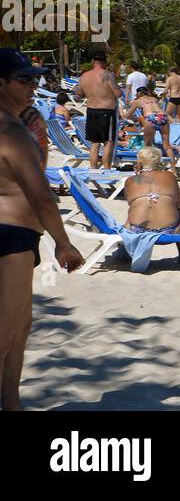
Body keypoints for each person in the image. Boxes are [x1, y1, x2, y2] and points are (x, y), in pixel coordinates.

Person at [0, 48, 84, 410]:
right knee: (6, 332)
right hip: (11, 235)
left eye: (35, 78)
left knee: (21, 329)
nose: (34, 85)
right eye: (24, 79)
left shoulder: (16, 124)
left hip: (16, 235)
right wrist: (64, 243)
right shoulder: (9, 130)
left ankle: (12, 402)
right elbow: (41, 195)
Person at [124, 147, 180, 264]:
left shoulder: (131, 180)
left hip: (137, 231)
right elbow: (177, 204)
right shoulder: (169, 176)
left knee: (133, 209)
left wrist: (137, 175)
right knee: (178, 211)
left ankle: (127, 253)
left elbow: (131, 202)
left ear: (139, 162)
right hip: (171, 231)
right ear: (159, 161)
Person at [75, 53, 122, 170]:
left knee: (95, 143)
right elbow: (118, 93)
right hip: (106, 112)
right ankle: (106, 170)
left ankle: (93, 169)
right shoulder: (107, 75)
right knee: (108, 142)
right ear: (104, 62)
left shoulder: (85, 76)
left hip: (91, 111)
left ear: (93, 62)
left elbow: (78, 95)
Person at [124, 88, 177, 167]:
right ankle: (174, 170)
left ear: (138, 94)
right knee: (167, 146)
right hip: (162, 117)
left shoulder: (137, 101)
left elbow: (127, 115)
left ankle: (142, 167)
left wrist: (135, 118)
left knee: (146, 146)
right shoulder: (154, 99)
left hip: (150, 118)